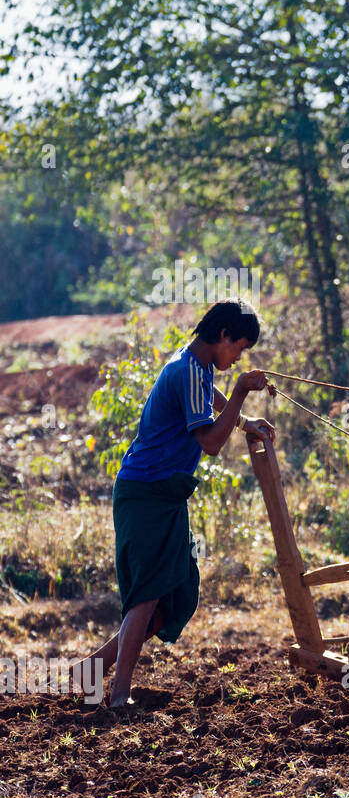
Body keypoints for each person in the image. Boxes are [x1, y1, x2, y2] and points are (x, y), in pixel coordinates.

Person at [76, 299, 276, 708]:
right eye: (239, 346)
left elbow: (209, 396)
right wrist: (241, 393)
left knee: (176, 595)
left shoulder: (197, 366)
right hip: (146, 493)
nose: (239, 356)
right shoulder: (186, 370)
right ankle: (118, 695)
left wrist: (243, 420)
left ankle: (93, 668)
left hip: (164, 495)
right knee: (148, 593)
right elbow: (211, 444)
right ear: (222, 336)